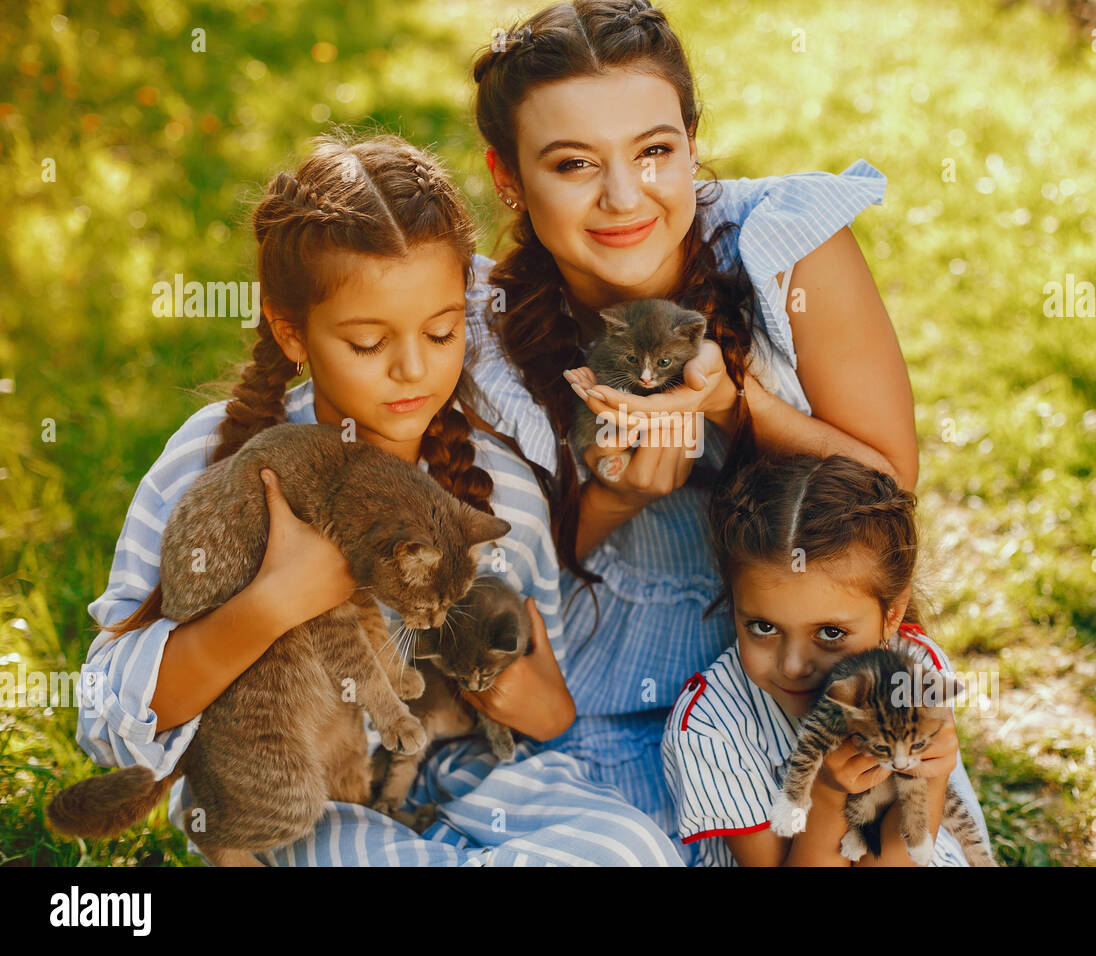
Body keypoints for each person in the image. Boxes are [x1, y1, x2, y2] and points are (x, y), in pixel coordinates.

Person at [74, 131, 682, 866]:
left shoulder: (495, 482)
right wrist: (272, 603)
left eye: (442, 331)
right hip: (300, 785)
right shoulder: (217, 463)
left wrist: (544, 706)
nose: (412, 369)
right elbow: (108, 716)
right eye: (367, 343)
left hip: (455, 764)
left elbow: (531, 673)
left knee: (631, 849)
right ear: (291, 332)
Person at [466, 0, 985, 862]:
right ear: (507, 177)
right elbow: (504, 578)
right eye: (572, 164)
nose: (624, 196)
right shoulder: (485, 336)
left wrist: (737, 408)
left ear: (694, 142)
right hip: (598, 697)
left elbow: (887, 489)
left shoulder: (785, 251)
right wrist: (610, 500)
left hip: (795, 679)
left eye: (655, 151)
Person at [661, 453, 992, 866]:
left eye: (831, 633)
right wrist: (828, 792)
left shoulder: (912, 670)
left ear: (892, 614)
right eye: (763, 627)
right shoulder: (711, 728)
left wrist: (932, 775)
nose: (794, 665)